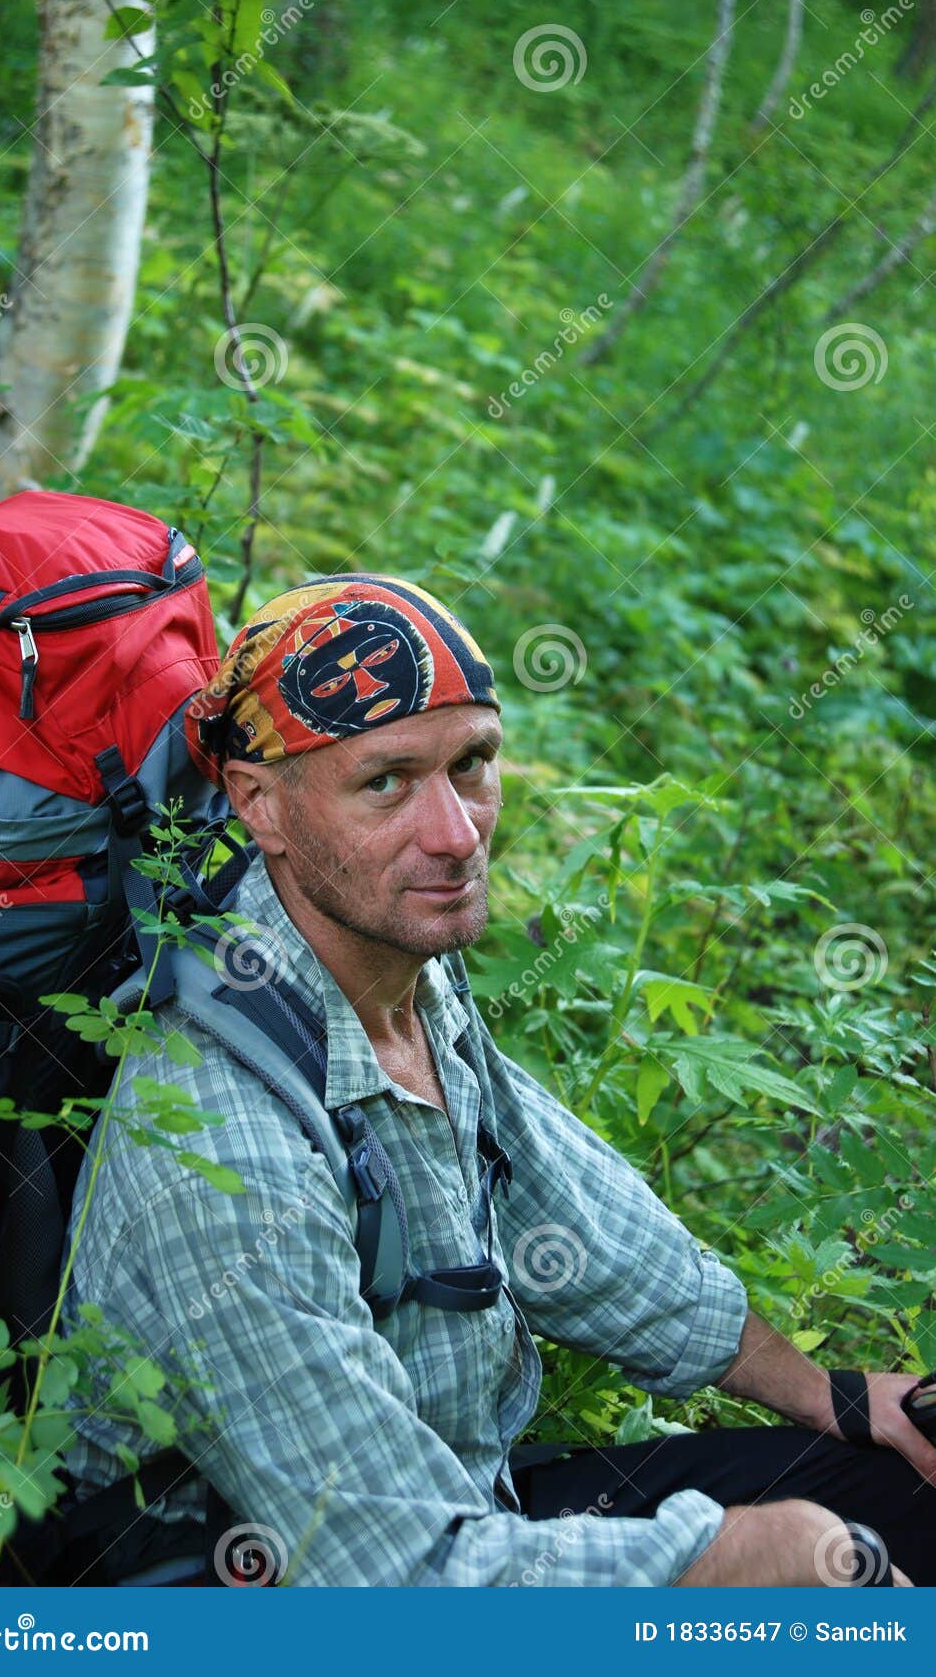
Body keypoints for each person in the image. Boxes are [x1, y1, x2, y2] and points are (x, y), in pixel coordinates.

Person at [60, 574, 935, 1587]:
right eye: (385, 781)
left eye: (472, 765)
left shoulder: (399, 963)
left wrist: (833, 1393)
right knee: (796, 1570)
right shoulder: (221, 1147)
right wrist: (733, 1558)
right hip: (272, 1588)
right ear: (262, 803)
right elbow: (405, 1579)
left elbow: (574, 1217)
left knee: (891, 1492)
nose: (457, 833)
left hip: (468, 1501)